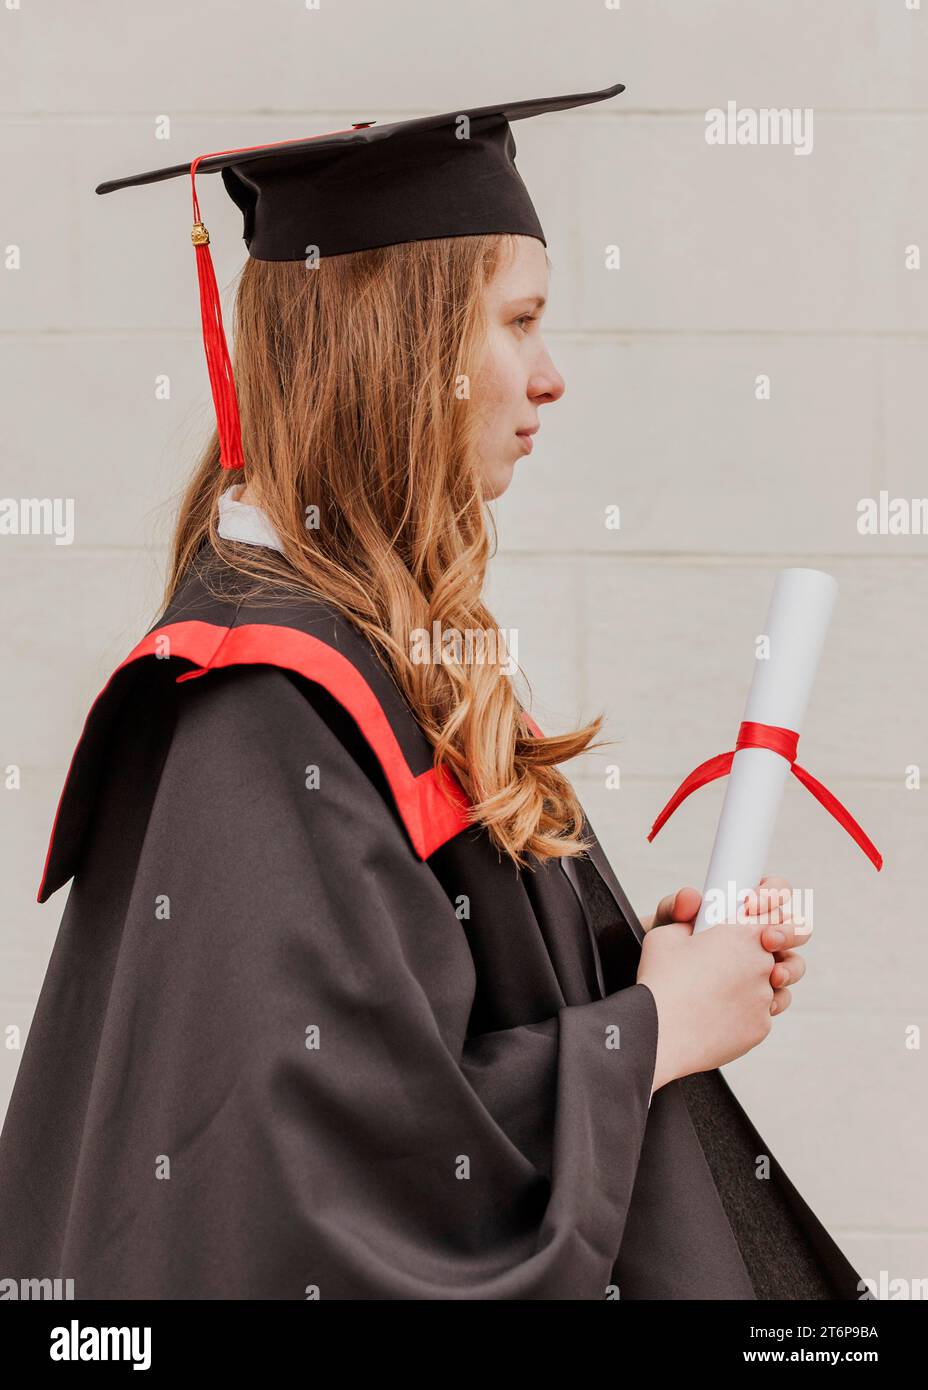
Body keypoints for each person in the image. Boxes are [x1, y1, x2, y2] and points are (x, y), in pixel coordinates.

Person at [0, 85, 864, 1300]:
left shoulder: (378, 650)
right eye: (517, 322)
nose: (551, 376)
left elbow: (443, 1040)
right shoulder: (260, 703)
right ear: (401, 353)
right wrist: (652, 1030)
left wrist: (649, 969)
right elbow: (310, 1192)